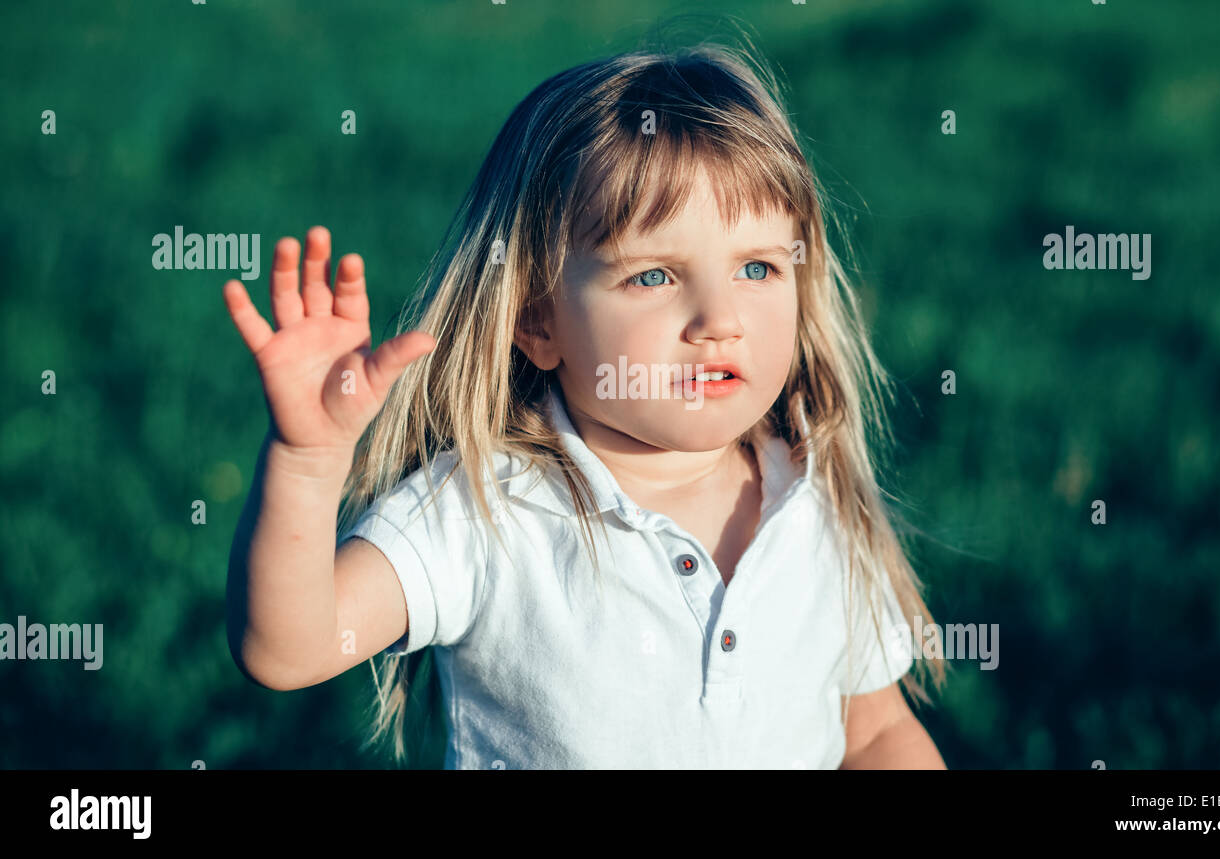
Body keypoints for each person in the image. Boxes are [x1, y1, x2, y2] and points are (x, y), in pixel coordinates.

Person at [223, 41, 947, 769]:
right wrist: (308, 460)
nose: (718, 318)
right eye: (655, 275)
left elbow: (876, 732)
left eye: (756, 266)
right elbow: (288, 648)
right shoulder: (485, 511)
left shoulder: (814, 503)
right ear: (538, 318)